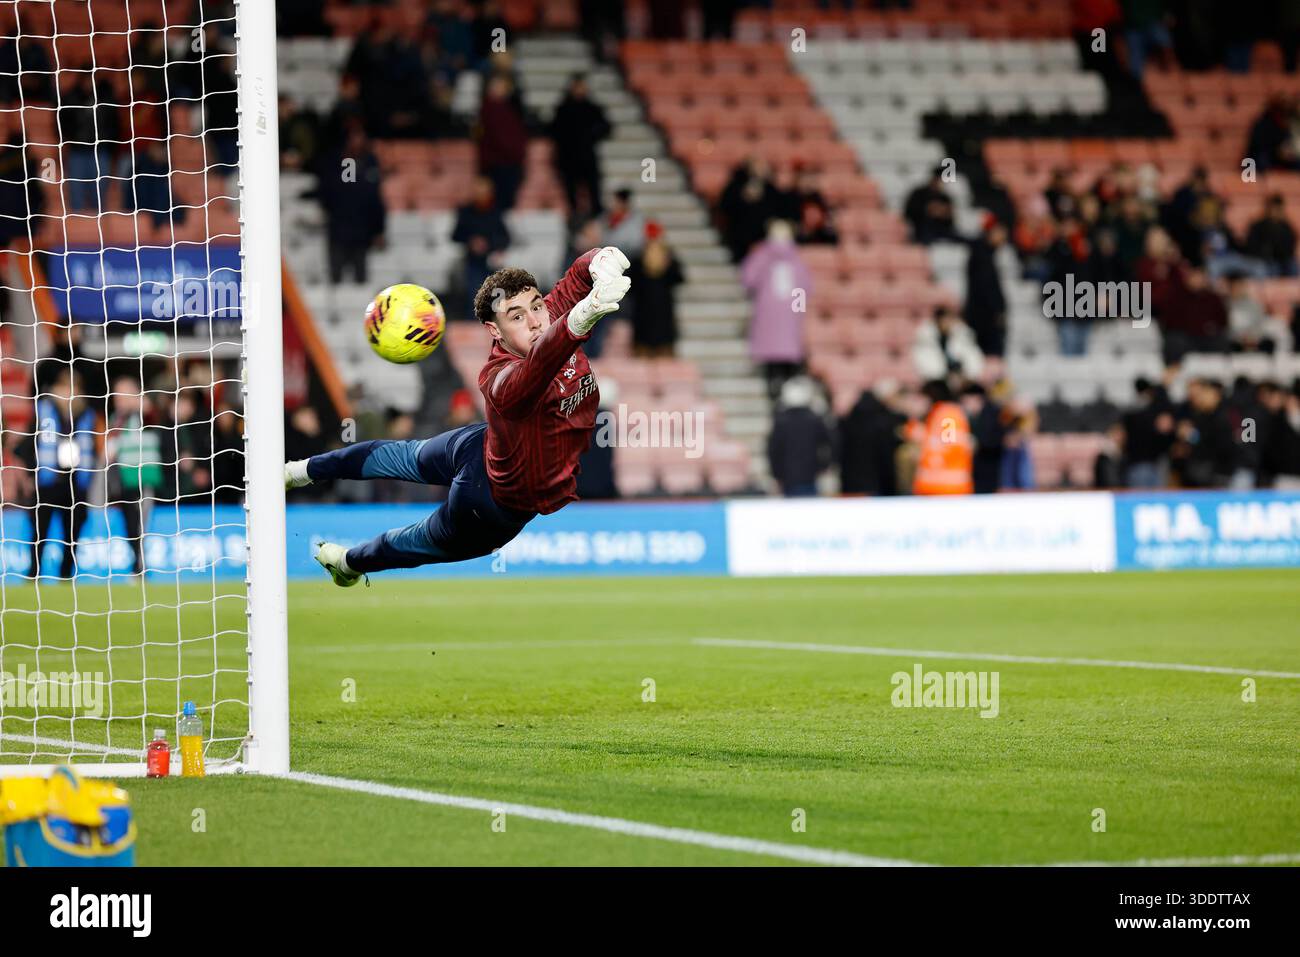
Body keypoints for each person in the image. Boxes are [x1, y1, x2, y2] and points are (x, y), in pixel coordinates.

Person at [286, 247, 632, 585]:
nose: (534, 321)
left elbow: (576, 278)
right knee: (413, 523)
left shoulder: (549, 319)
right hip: (487, 503)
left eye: (537, 306)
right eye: (515, 316)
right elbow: (542, 363)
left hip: (482, 447)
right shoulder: (500, 380)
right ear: (495, 331)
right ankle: (303, 487)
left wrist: (601, 259)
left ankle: (326, 523)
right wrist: (582, 317)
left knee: (403, 471)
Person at [25, 363, 98, 579]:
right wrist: (31, 474)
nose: (69, 392)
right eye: (65, 386)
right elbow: (30, 444)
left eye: (74, 387)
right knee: (40, 531)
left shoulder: (86, 414)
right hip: (48, 482)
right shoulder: (43, 411)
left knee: (72, 533)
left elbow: (91, 448)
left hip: (75, 483)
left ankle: (66, 574)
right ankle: (33, 574)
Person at [741, 220, 813, 397]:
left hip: (773, 317)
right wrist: (798, 312)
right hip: (780, 318)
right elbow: (803, 288)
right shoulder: (791, 258)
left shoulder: (766, 256)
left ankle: (778, 392)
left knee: (776, 363)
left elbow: (748, 280)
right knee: (781, 361)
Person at [105, 376, 163, 576]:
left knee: (142, 522)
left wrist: (140, 403)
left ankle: (141, 566)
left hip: (143, 476)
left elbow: (152, 415)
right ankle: (137, 565)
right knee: (130, 523)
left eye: (122, 392)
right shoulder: (117, 418)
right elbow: (111, 444)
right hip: (124, 477)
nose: (118, 398)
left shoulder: (143, 412)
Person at [548, 74, 611, 221]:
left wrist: (592, 135)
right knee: (570, 191)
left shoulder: (592, 108)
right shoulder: (563, 109)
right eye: (577, 86)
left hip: (587, 156)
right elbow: (553, 130)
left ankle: (597, 213)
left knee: (593, 187)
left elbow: (607, 127)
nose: (580, 90)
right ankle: (575, 217)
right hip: (568, 158)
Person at [452, 176, 511, 320]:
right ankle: (473, 322)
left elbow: (505, 237)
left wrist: (492, 246)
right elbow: (455, 236)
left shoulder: (496, 213)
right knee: (473, 290)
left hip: (492, 261)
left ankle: (500, 321)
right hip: (472, 261)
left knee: (498, 289)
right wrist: (471, 242)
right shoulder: (465, 212)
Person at [766, 376, 833, 497]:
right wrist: (824, 465)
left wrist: (776, 474)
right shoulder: (814, 419)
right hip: (809, 475)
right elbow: (830, 442)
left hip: (789, 477)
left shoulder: (781, 421)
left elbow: (773, 450)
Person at [624, 221, 683, 358]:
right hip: (645, 315)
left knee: (662, 354)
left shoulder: (667, 259)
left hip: (659, 315)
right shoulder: (638, 260)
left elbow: (679, 278)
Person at [903, 166, 957, 245]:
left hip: (943, 232)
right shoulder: (918, 194)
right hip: (922, 232)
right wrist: (928, 210)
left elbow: (950, 222)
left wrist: (945, 214)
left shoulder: (945, 197)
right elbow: (908, 214)